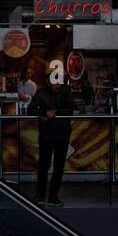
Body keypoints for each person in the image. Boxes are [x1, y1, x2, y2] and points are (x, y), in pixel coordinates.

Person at [29, 76, 74, 207]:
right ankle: (41, 195)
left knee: (58, 168)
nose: (57, 85)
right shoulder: (42, 92)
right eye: (55, 82)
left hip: (62, 134)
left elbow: (71, 109)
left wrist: (54, 112)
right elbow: (31, 109)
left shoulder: (66, 91)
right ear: (49, 82)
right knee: (44, 166)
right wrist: (44, 113)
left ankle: (53, 196)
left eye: (59, 82)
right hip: (47, 134)